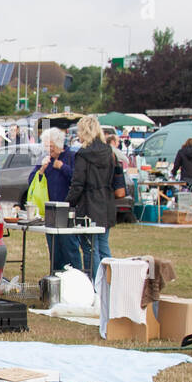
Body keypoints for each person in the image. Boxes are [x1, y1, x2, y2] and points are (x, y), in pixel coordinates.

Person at [67, 114, 117, 278]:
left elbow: (78, 183)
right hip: (106, 202)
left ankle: (95, 285)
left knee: (90, 248)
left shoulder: (83, 154)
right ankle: (110, 285)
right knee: (103, 246)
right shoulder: (109, 151)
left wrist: (67, 203)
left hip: (89, 204)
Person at [25, 127, 76, 272]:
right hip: (49, 210)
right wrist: (41, 169)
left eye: (51, 147)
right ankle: (55, 276)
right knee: (54, 250)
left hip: (66, 208)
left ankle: (74, 277)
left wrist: (63, 167)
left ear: (59, 144)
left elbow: (76, 179)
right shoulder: (45, 159)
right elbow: (32, 181)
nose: (49, 150)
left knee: (69, 248)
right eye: (46, 147)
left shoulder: (71, 156)